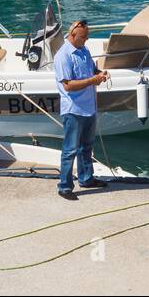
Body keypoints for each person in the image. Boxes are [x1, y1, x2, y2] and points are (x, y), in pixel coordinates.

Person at [53, 19, 110, 200]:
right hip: (74, 109)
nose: (86, 40)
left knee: (87, 147)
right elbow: (68, 85)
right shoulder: (63, 56)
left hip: (89, 107)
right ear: (73, 35)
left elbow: (92, 69)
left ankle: (86, 178)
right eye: (83, 37)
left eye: (87, 37)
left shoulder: (84, 50)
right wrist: (92, 81)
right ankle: (64, 186)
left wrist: (100, 74)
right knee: (70, 149)